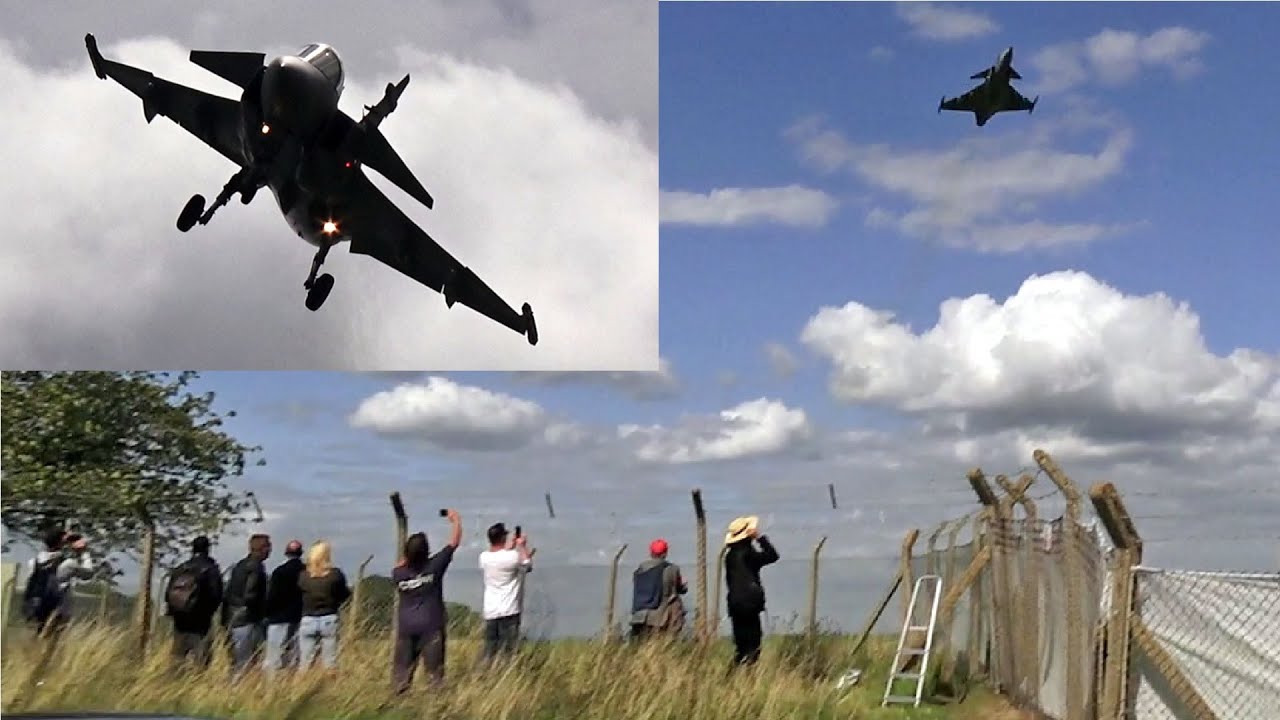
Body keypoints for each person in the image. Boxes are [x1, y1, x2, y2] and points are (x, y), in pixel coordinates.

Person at [392, 509, 462, 692]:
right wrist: (456, 520)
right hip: (431, 627)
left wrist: (406, 559)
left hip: (406, 627)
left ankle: (398, 702)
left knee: (402, 672)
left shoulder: (398, 574)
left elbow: (401, 564)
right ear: (427, 551)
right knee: (434, 675)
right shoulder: (434, 566)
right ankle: (435, 707)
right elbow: (453, 543)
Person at [723, 516, 778, 668]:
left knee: (741, 647)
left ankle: (733, 677)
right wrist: (759, 538)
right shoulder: (748, 554)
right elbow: (772, 556)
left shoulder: (729, 556)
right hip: (750, 605)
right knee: (753, 646)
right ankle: (747, 676)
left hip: (735, 605)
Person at [22, 528, 96, 637]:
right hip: (58, 612)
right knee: (54, 646)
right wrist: (83, 552)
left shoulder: (33, 563)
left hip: (36, 609)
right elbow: (89, 574)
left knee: (37, 640)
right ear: (62, 543)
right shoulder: (69, 564)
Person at [164, 535, 224, 667]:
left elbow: (167, 594)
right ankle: (196, 685)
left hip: (180, 621)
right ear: (208, 549)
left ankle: (172, 684)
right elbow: (217, 595)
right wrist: (208, 611)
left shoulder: (181, 568)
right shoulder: (210, 569)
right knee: (201, 660)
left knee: (177, 657)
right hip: (201, 622)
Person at [478, 522, 532, 667]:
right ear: (503, 537)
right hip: (509, 610)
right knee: (509, 650)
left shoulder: (484, 557)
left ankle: (485, 675)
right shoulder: (513, 556)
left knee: (490, 649)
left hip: (491, 611)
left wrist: (512, 546)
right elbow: (527, 565)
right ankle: (506, 675)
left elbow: (501, 557)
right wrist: (522, 545)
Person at [296, 540, 351, 671]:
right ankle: (331, 687)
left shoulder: (303, 576)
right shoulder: (335, 574)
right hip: (329, 617)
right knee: (330, 661)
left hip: (308, 619)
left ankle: (302, 688)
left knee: (305, 661)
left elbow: (298, 594)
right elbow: (344, 594)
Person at [222, 533, 271, 675]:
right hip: (248, 619)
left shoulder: (240, 566)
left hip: (233, 618)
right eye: (268, 547)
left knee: (237, 662)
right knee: (247, 663)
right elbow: (251, 594)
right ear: (263, 548)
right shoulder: (256, 567)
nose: (270, 551)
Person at [629, 538, 687, 641]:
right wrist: (683, 587)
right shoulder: (672, 569)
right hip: (661, 616)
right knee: (676, 602)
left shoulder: (640, 569)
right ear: (665, 553)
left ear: (651, 552)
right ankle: (671, 638)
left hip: (639, 615)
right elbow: (679, 588)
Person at [263, 539, 306, 674]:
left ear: (286, 553)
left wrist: (267, 614)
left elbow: (272, 596)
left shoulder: (279, 572)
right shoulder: (307, 572)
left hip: (278, 618)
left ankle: (273, 685)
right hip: (299, 617)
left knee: (275, 657)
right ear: (300, 553)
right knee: (295, 657)